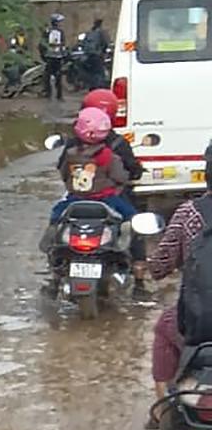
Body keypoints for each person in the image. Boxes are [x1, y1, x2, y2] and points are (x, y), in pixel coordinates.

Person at [58, 88, 148, 298]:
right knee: (135, 225)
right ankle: (139, 282)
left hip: (76, 199)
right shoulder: (117, 145)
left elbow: (62, 171)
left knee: (57, 219)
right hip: (109, 199)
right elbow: (126, 174)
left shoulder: (72, 146)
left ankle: (54, 277)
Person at [148, 147, 212, 415]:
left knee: (165, 326)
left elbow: (159, 266)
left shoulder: (189, 213)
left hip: (197, 324)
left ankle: (163, 413)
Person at [48, 107, 133, 223]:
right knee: (131, 216)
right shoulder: (108, 155)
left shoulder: (70, 154)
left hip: (75, 198)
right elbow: (120, 177)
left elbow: (64, 174)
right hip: (105, 199)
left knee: (56, 216)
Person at [39, 14, 67, 101]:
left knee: (48, 76)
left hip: (50, 57)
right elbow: (63, 44)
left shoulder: (48, 31)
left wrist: (43, 55)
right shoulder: (60, 32)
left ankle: (49, 93)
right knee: (57, 76)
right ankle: (58, 95)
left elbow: (41, 44)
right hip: (56, 57)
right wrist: (63, 56)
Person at [83, 18, 110, 89]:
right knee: (99, 73)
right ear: (100, 24)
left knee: (92, 73)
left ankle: (92, 87)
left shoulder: (89, 32)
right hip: (97, 55)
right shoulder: (101, 33)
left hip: (88, 56)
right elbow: (105, 44)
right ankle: (99, 87)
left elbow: (83, 43)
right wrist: (103, 52)